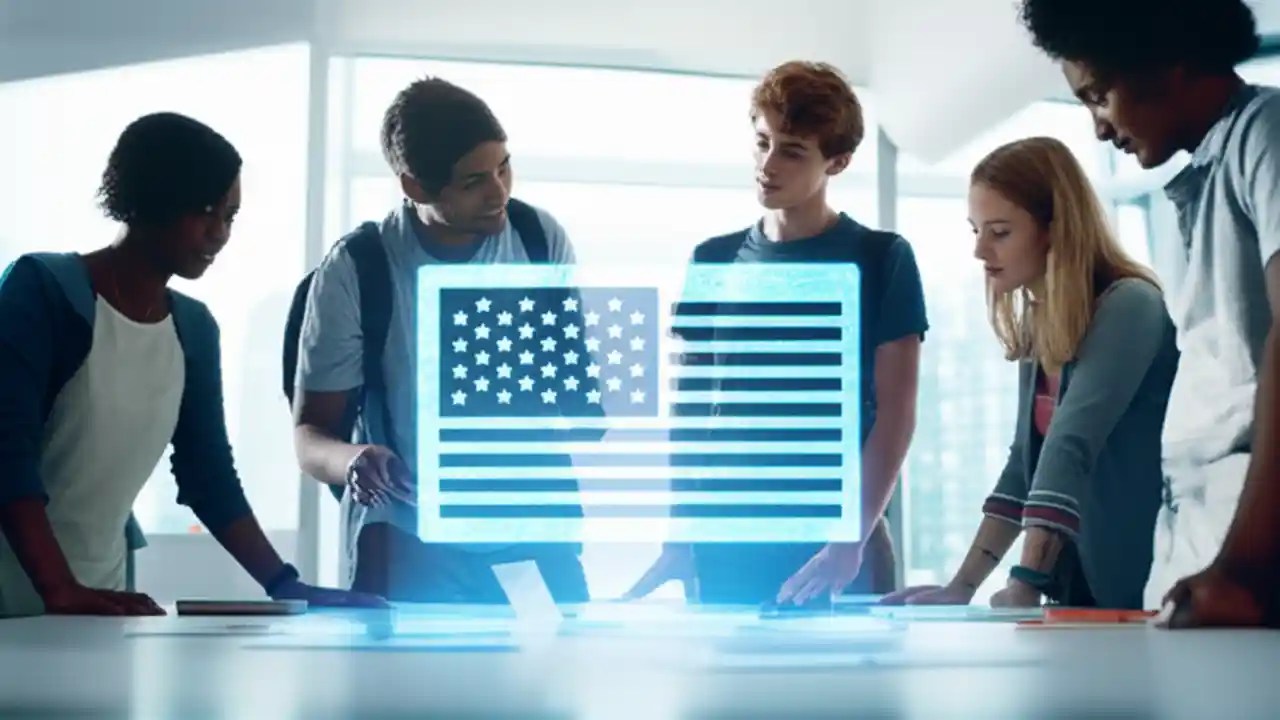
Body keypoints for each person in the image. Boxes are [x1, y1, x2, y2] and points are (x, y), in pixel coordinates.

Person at [0, 112, 385, 617]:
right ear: (153, 198)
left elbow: (208, 476)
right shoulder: (44, 290)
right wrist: (59, 590)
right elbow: (7, 452)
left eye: (230, 216)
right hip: (21, 589)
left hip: (100, 596)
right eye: (206, 211)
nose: (219, 233)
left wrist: (285, 586)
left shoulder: (193, 329)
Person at [624, 61, 927, 605]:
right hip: (725, 534)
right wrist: (679, 530)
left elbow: (896, 413)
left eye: (791, 150)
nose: (768, 165)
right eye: (761, 142)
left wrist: (848, 538)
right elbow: (691, 410)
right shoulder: (712, 258)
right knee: (727, 689)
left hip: (833, 538)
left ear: (838, 160)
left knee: (849, 688)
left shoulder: (881, 257)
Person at [1020, 0, 1280, 627]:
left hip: (1246, 557)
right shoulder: (1203, 175)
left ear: (1168, 65)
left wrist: (1241, 566)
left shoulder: (1265, 132)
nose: (1100, 129)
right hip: (1197, 548)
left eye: (1099, 96)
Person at [292, 77, 591, 603]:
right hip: (412, 537)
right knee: (413, 687)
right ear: (416, 187)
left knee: (552, 682)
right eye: (474, 180)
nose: (499, 191)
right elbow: (311, 437)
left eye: (504, 167)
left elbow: (574, 391)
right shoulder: (357, 268)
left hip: (532, 532)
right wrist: (353, 459)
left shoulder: (539, 239)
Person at [882, 137, 1177, 610]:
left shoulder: (1130, 306)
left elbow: (1070, 445)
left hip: (1137, 585)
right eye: (975, 230)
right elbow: (1026, 466)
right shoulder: (1047, 323)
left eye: (999, 232)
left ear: (1055, 231)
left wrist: (1025, 580)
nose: (980, 250)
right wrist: (962, 586)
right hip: (1074, 588)